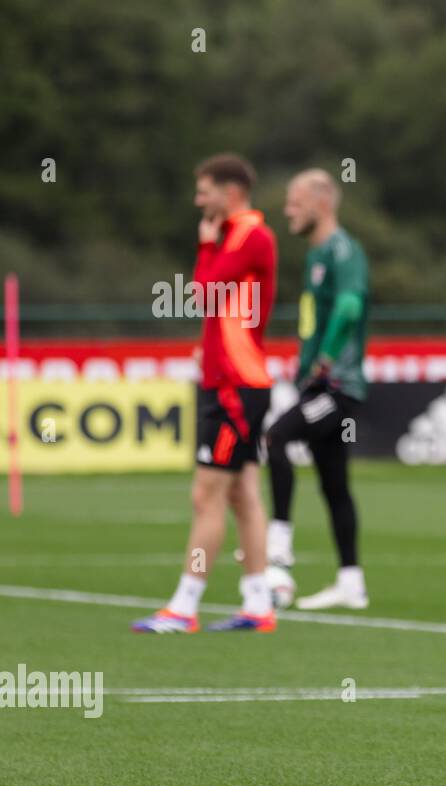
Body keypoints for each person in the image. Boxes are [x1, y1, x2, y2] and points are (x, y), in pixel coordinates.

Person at [133, 153, 278, 633]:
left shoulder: (249, 234)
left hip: (235, 388)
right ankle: (258, 604)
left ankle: (184, 605)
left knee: (206, 494)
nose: (198, 201)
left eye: (205, 191)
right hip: (235, 382)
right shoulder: (241, 236)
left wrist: (204, 245)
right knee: (241, 494)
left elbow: (203, 292)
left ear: (230, 192)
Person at [264, 169, 370, 610]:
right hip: (319, 384)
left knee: (277, 437)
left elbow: (348, 306)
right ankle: (351, 582)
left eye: (295, 202)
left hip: (338, 386)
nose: (287, 210)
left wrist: (325, 357)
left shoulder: (344, 251)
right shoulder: (317, 255)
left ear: (322, 203)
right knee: (334, 484)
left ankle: (278, 547)